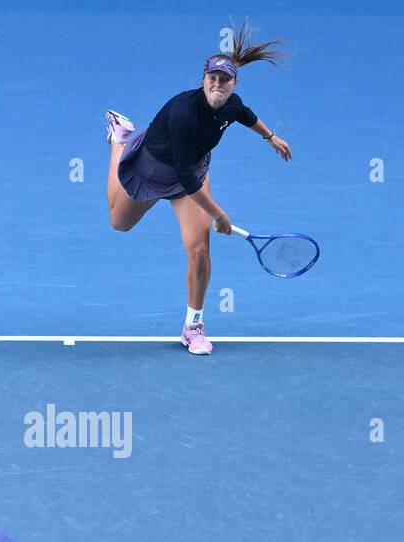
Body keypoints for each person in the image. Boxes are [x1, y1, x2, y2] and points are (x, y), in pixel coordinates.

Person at [105, 22, 291, 355]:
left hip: (193, 170)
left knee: (200, 250)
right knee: (119, 223)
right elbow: (187, 180)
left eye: (225, 80)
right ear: (203, 80)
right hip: (155, 171)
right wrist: (219, 214)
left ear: (234, 83)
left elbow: (247, 115)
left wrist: (270, 137)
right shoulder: (183, 114)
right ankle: (119, 140)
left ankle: (193, 326)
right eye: (212, 79)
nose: (218, 84)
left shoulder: (233, 105)